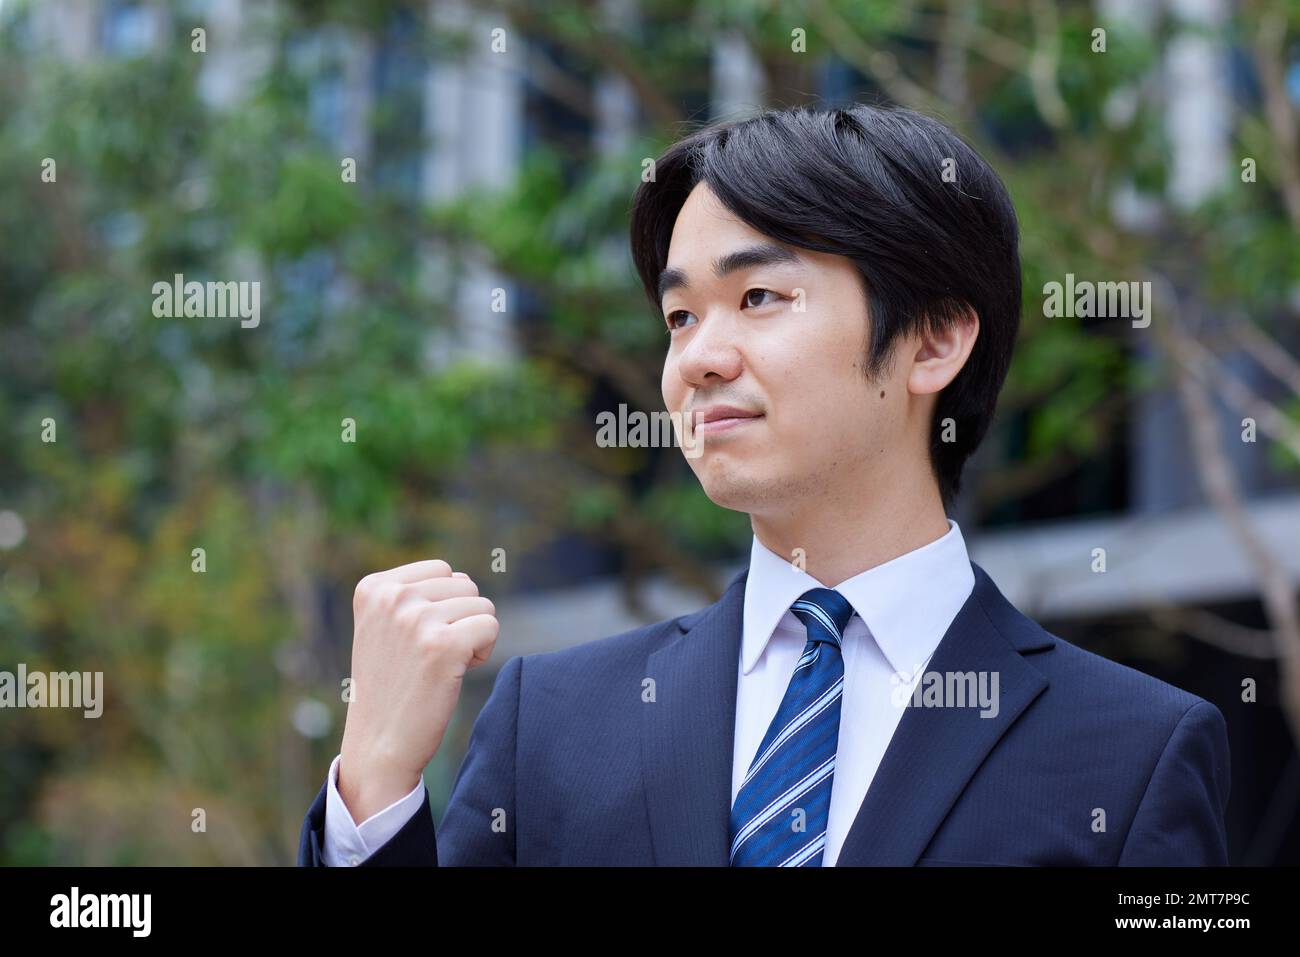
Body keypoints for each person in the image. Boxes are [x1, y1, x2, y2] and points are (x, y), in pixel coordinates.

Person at [297, 103, 1230, 867]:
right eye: (678, 315)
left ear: (936, 338)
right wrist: (372, 790)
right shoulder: (551, 723)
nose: (698, 358)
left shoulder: (1132, 754)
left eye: (758, 298)